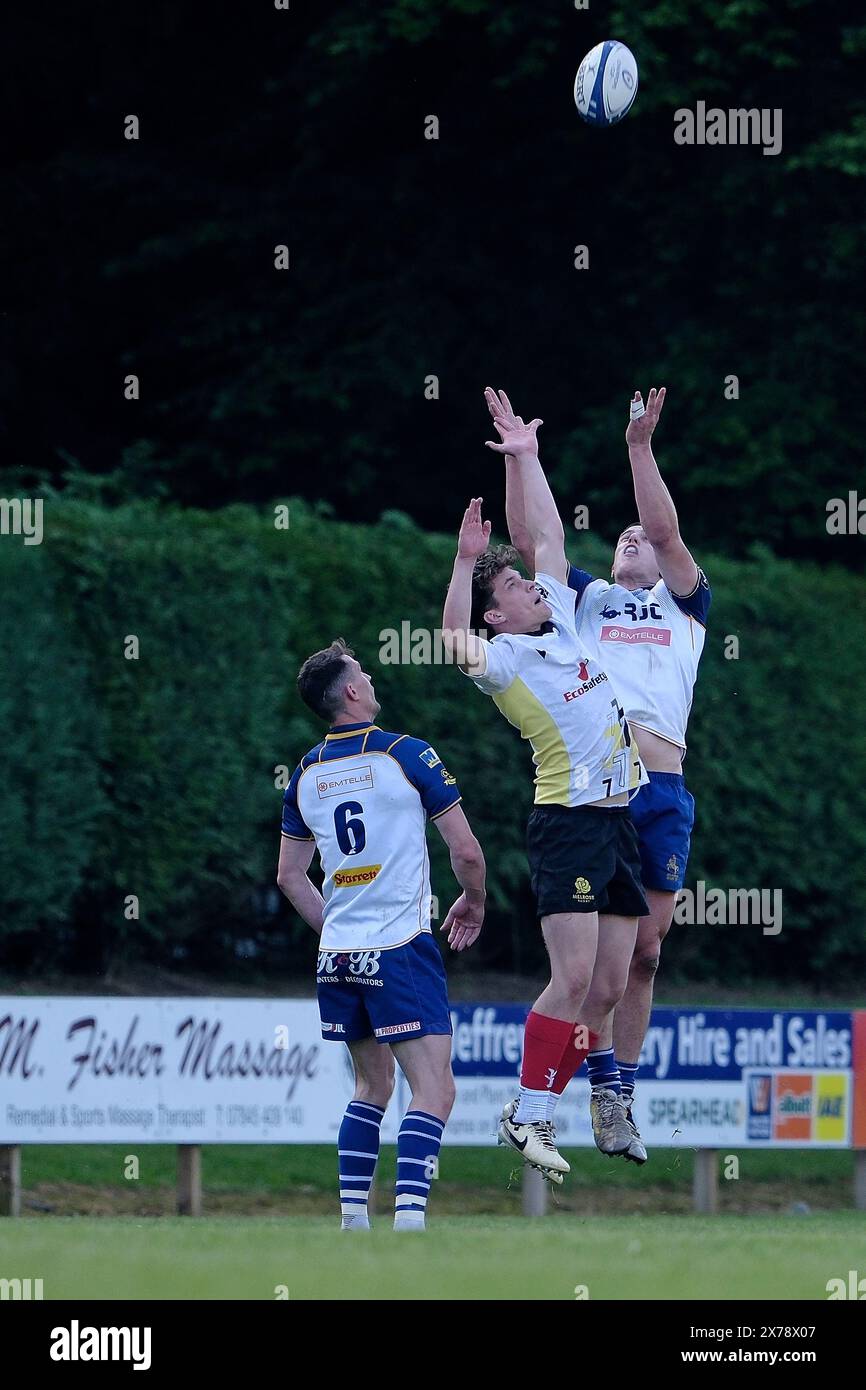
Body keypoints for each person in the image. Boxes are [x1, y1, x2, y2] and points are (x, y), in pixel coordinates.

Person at [441, 398, 649, 1183]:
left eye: (532, 583)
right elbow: (452, 641)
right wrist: (466, 564)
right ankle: (526, 1115)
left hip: (618, 821)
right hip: (568, 825)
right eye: (522, 587)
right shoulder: (506, 661)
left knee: (608, 982)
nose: (538, 583)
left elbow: (549, 535)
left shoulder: (559, 619)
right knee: (570, 979)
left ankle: (543, 1109)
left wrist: (523, 455)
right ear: (501, 615)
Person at [502, 387, 711, 1160]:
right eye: (619, 536)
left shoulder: (685, 607)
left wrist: (638, 447)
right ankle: (587, 1095)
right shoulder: (585, 603)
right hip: (598, 791)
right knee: (592, 970)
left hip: (663, 793)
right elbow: (535, 541)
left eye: (641, 539)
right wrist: (524, 460)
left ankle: (612, 1089)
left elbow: (662, 525)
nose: (632, 538)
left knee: (644, 957)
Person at [277, 639, 486, 1230]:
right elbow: (466, 851)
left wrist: (340, 930)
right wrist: (474, 901)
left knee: (372, 1083)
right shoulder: (406, 754)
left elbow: (290, 877)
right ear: (350, 692)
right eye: (362, 672)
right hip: (399, 945)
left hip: (341, 953)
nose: (370, 678)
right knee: (435, 1089)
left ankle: (352, 1219)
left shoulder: (307, 772)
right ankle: (411, 1219)